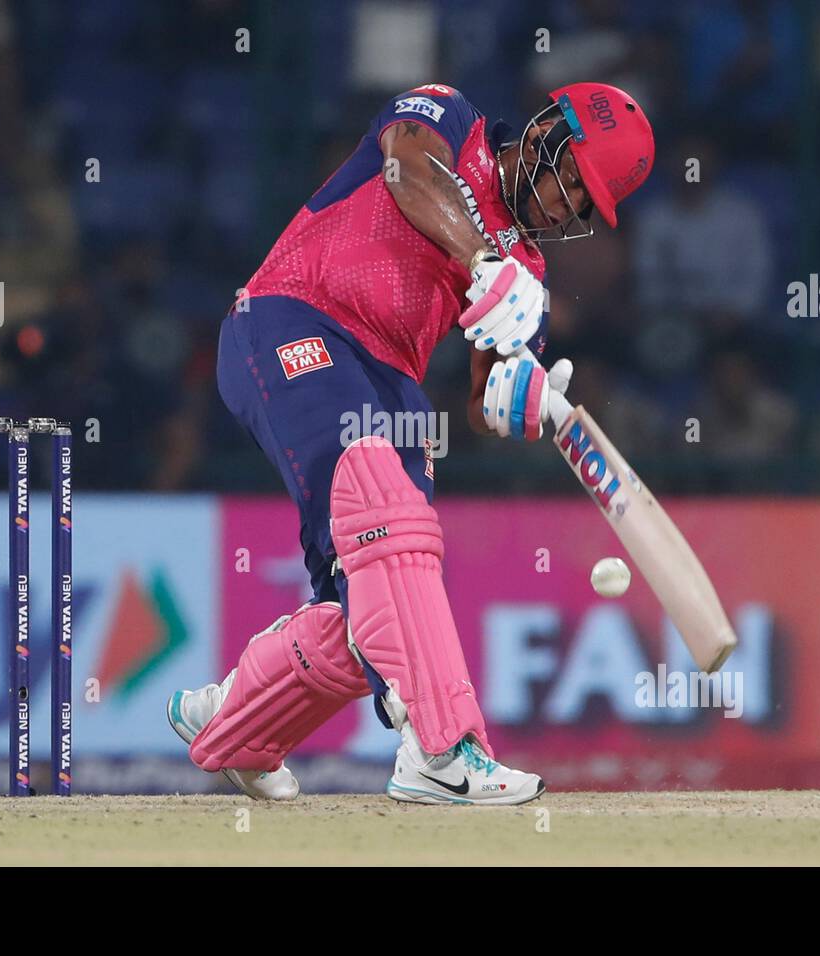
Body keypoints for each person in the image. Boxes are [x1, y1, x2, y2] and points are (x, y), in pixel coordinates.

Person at [167, 83, 654, 804]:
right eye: (571, 179)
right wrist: (488, 263)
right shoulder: (449, 119)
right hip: (291, 318)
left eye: (584, 205)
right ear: (549, 129)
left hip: (389, 382)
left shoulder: (531, 273)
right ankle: (443, 749)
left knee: (379, 600)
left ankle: (234, 721)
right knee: (384, 509)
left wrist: (526, 396)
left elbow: (487, 401)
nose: (565, 207)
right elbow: (406, 171)